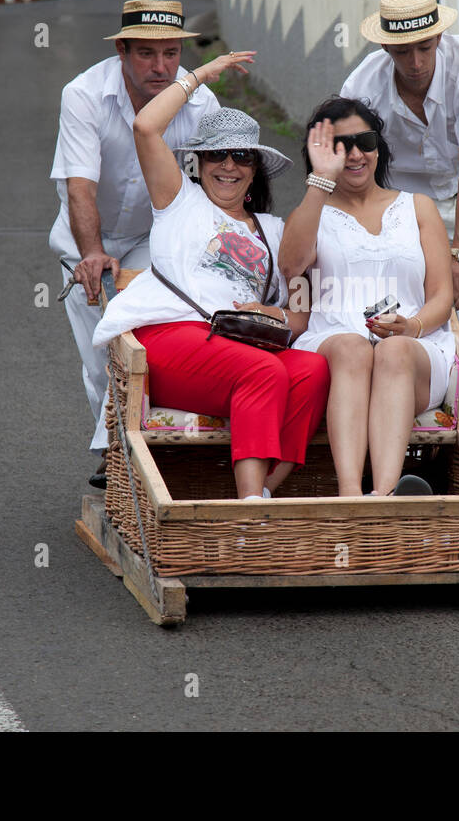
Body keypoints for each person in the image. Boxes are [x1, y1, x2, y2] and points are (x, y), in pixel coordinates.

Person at [92, 57, 331, 501]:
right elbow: (146, 128)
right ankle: (249, 508)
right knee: (263, 372)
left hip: (237, 349)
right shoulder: (178, 201)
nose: (228, 165)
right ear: (197, 163)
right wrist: (201, 75)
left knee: (312, 369)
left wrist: (268, 311)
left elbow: (298, 318)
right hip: (169, 339)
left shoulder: (274, 230)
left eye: (241, 155)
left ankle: (264, 493)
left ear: (255, 167)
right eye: (216, 154)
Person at [49, 0, 219, 486]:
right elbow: (79, 184)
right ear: (122, 50)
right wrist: (92, 252)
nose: (162, 67)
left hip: (154, 239)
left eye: (171, 53)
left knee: (145, 340)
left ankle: (122, 457)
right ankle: (117, 441)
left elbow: (216, 178)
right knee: (99, 355)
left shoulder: (201, 102)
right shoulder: (83, 94)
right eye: (146, 53)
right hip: (84, 241)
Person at [341, 0, 459, 472]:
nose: (414, 62)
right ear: (384, 49)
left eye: (424, 47)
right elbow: (348, 166)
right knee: (399, 336)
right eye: (401, 51)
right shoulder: (362, 86)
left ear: (439, 36)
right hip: (400, 211)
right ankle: (411, 462)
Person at [278, 96, 454, 497]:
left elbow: (442, 294)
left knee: (394, 351)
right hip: (334, 347)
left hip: (415, 349)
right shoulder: (311, 213)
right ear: (322, 153)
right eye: (341, 146)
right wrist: (320, 181)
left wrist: (412, 326)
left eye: (365, 140)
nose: (356, 153)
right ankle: (351, 496)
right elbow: (291, 268)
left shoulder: (418, 207)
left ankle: (384, 496)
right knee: (355, 347)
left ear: (379, 146)